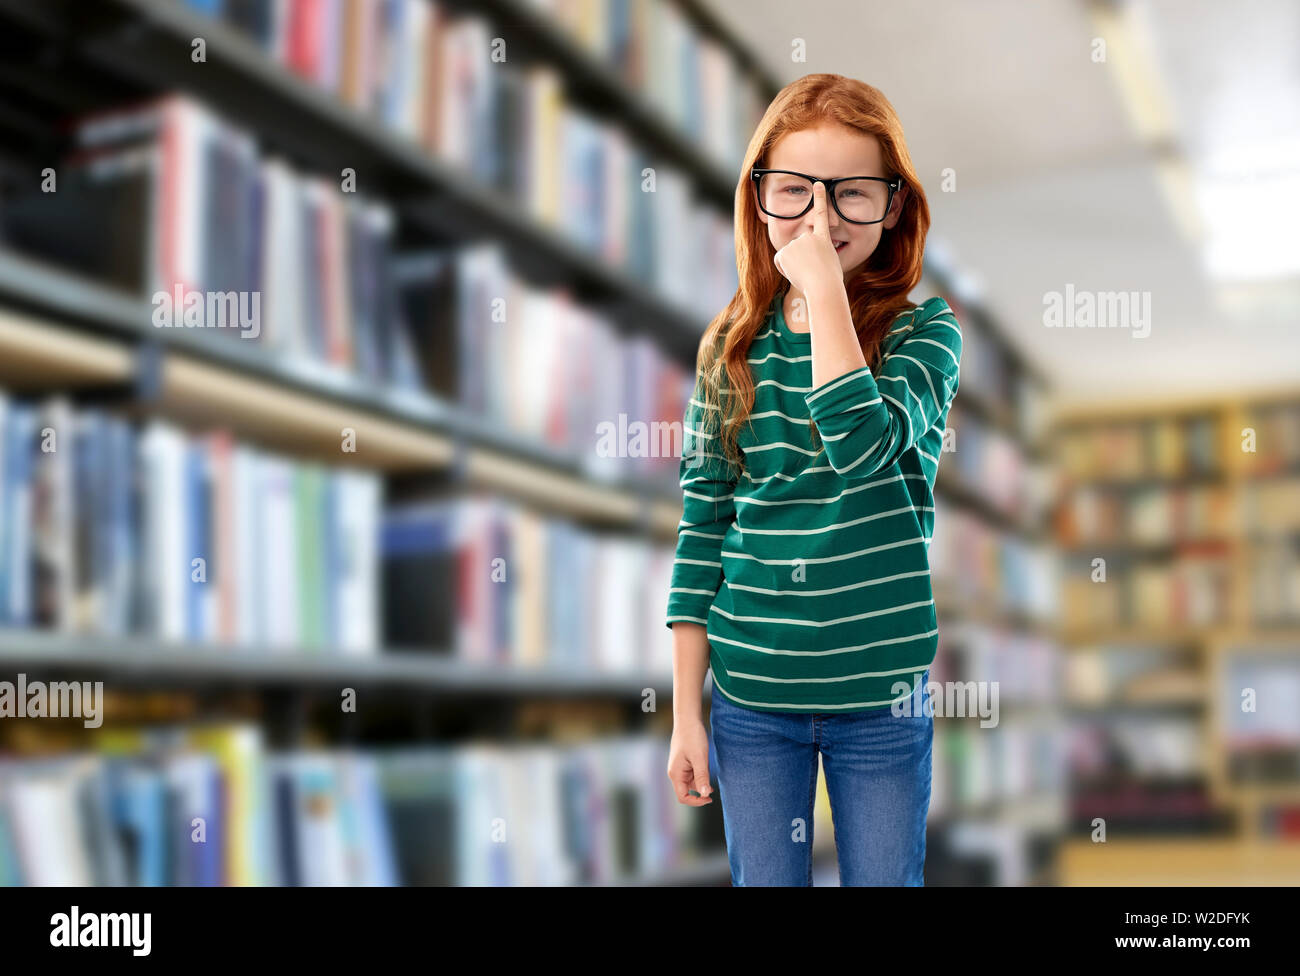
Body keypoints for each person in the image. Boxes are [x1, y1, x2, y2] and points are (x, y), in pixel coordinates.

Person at [664, 73, 961, 886]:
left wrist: (824, 291)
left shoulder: (925, 334)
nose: (820, 220)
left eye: (852, 195)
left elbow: (861, 445)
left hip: (882, 698)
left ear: (893, 205)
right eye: (794, 192)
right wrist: (686, 714)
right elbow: (702, 532)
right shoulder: (730, 347)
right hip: (754, 699)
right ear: (759, 200)